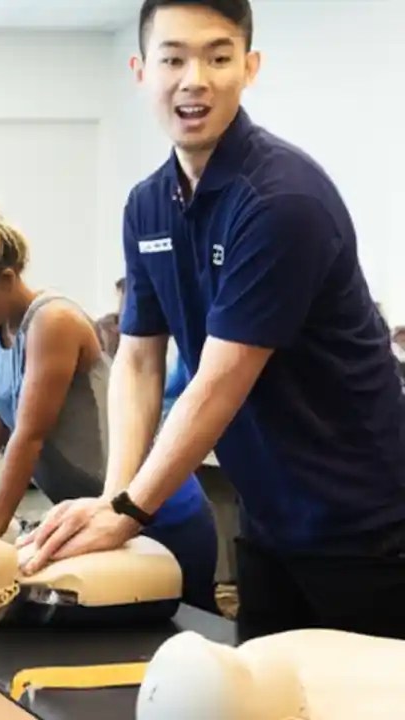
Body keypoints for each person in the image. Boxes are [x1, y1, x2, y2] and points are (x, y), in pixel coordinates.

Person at [24, 0, 405, 642]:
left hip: (365, 524)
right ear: (141, 71)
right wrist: (116, 494)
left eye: (218, 57)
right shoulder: (148, 205)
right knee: (264, 696)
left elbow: (221, 381)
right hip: (268, 523)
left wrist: (130, 512)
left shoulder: (282, 199)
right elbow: (140, 359)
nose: (193, 78)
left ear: (249, 68)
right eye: (172, 58)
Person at [0, 195, 217, 611]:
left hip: (159, 511)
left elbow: (29, 437)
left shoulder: (53, 322)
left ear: (8, 279)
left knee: (186, 635)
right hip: (99, 520)